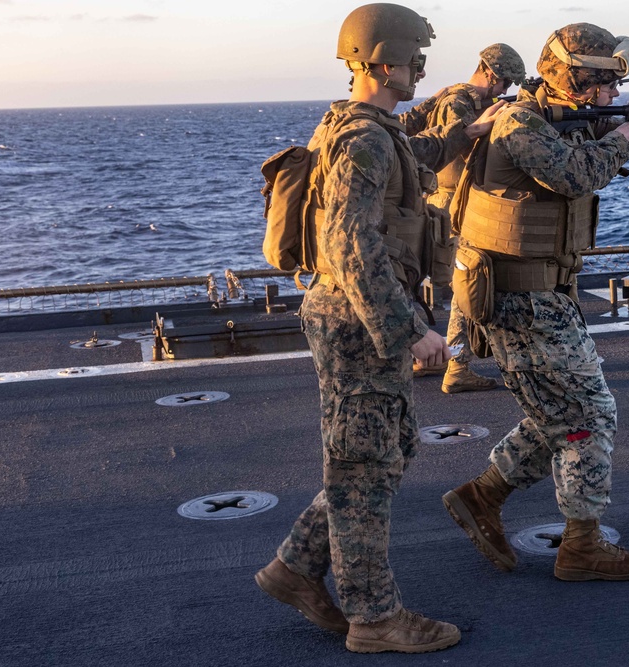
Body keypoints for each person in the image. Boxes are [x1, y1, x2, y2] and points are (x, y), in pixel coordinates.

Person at [441, 23, 629, 581]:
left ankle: (481, 496)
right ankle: (581, 547)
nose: (610, 97)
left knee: (557, 415)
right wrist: (622, 136)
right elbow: (572, 174)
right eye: (599, 85)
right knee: (588, 414)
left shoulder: (560, 120)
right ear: (568, 77)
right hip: (521, 295)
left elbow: (609, 161)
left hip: (539, 293)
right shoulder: (519, 122)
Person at [254, 3, 503, 654]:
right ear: (388, 59)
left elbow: (415, 154)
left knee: (384, 450)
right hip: (358, 316)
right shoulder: (363, 137)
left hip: (357, 309)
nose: (422, 69)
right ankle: (374, 617)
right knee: (363, 468)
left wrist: (471, 130)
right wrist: (408, 328)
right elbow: (350, 244)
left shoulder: (366, 128)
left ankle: (295, 566)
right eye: (417, 58)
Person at [401, 44, 527, 393]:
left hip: (443, 201)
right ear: (488, 72)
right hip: (455, 204)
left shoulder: (456, 97)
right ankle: (457, 365)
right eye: (503, 82)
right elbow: (459, 142)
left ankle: (426, 357)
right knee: (468, 283)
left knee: (438, 281)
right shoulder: (463, 102)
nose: (504, 90)